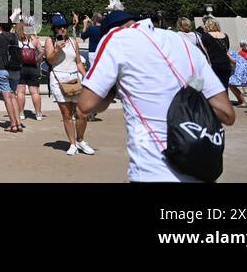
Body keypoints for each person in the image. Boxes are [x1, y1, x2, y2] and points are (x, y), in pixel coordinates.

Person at [80, 13, 235, 182]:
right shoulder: (183, 42)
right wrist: (188, 92)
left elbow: (86, 105)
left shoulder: (116, 37)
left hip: (153, 171)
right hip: (200, 168)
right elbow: (227, 114)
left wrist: (112, 85)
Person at [45, 13, 92, 156]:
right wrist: (57, 49)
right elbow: (50, 60)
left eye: (64, 27)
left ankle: (81, 140)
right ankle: (72, 144)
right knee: (66, 114)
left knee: (82, 113)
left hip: (74, 79)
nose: (62, 30)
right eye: (59, 27)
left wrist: (87, 76)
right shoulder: (50, 41)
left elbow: (78, 61)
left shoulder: (73, 41)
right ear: (54, 29)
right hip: (59, 79)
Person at [0, 20, 23, 133]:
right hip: (14, 69)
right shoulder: (14, 36)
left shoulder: (0, 37)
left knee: (7, 97)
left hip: (2, 68)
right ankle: (18, 123)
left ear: (0, 25)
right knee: (13, 96)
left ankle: (13, 124)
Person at [198, 19, 235, 107]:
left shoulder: (205, 36)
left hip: (213, 64)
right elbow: (226, 50)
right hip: (225, 63)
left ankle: (215, 106)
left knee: (213, 86)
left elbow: (205, 52)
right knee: (224, 86)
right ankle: (225, 105)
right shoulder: (225, 35)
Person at [17, 22, 44, 121]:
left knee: (20, 92)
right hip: (33, 68)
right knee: (35, 92)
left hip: (20, 68)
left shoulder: (17, 40)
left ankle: (21, 113)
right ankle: (38, 114)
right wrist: (37, 60)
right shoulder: (34, 41)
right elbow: (42, 52)